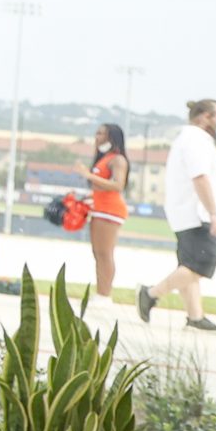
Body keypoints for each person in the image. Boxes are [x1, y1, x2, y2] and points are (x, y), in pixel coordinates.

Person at [138, 99, 216, 333]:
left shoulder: (190, 139)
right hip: (197, 214)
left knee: (188, 266)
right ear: (205, 116)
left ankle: (195, 317)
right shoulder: (195, 141)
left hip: (187, 212)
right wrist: (213, 213)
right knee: (199, 266)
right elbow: (200, 178)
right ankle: (151, 293)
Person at [85, 121, 130, 302]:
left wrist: (89, 176)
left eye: (101, 133)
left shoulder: (117, 159)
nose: (97, 137)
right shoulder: (104, 158)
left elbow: (118, 185)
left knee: (105, 253)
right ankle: (100, 291)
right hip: (99, 208)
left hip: (110, 210)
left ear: (111, 137)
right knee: (97, 252)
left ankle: (105, 295)